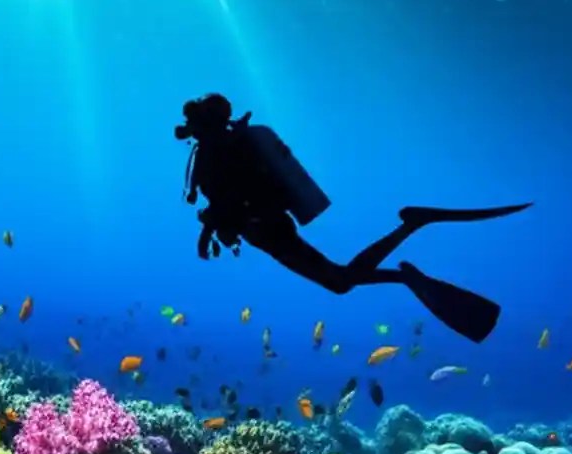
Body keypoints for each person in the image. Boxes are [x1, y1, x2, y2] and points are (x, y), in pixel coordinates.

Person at [178, 93, 530, 343]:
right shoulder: (224, 147)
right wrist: (212, 228)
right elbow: (229, 201)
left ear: (202, 124)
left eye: (192, 122)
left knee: (340, 281)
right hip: (268, 228)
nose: (188, 129)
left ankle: (413, 226)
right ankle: (403, 264)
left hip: (267, 231)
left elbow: (229, 201)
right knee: (339, 280)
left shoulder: (217, 152)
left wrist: (207, 232)